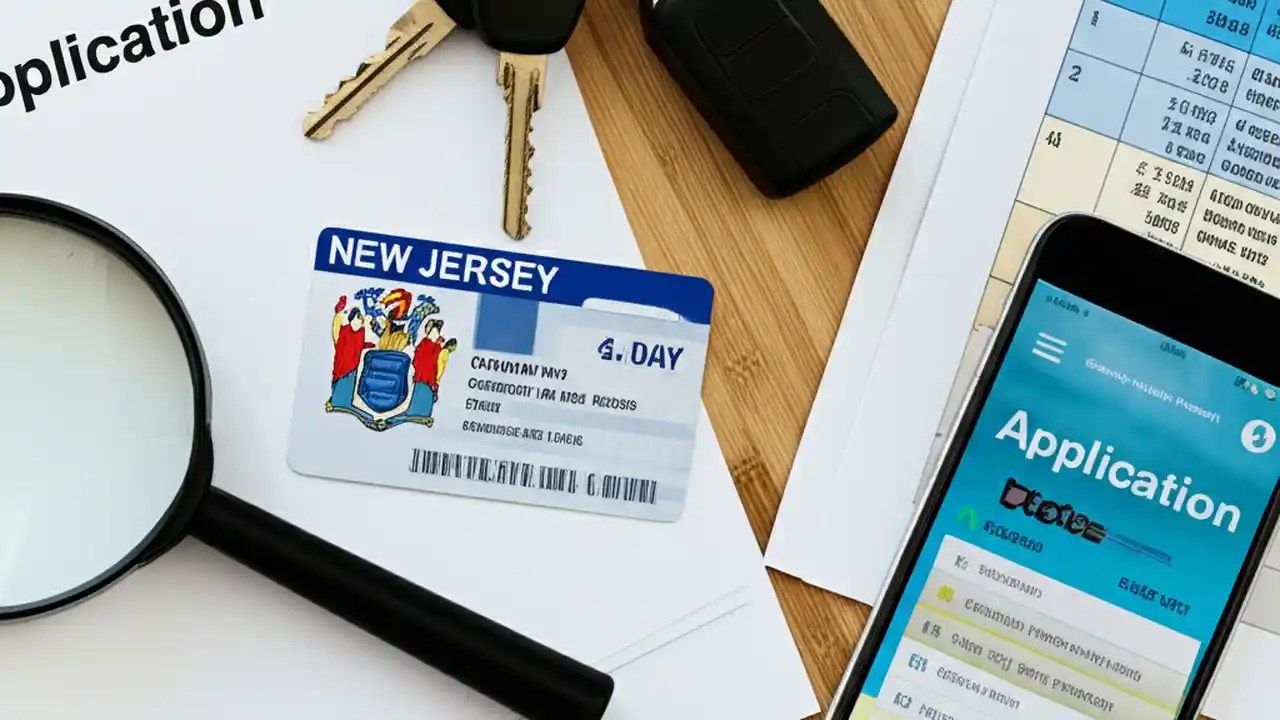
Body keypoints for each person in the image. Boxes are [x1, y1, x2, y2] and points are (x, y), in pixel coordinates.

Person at [329, 296, 374, 411]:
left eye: (358, 320)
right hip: (343, 364)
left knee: (349, 385)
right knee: (341, 383)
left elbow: (359, 345)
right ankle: (337, 402)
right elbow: (340, 347)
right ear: (350, 320)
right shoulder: (345, 330)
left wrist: (369, 345)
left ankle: (345, 402)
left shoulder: (361, 332)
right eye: (353, 320)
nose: (356, 323)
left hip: (353, 364)